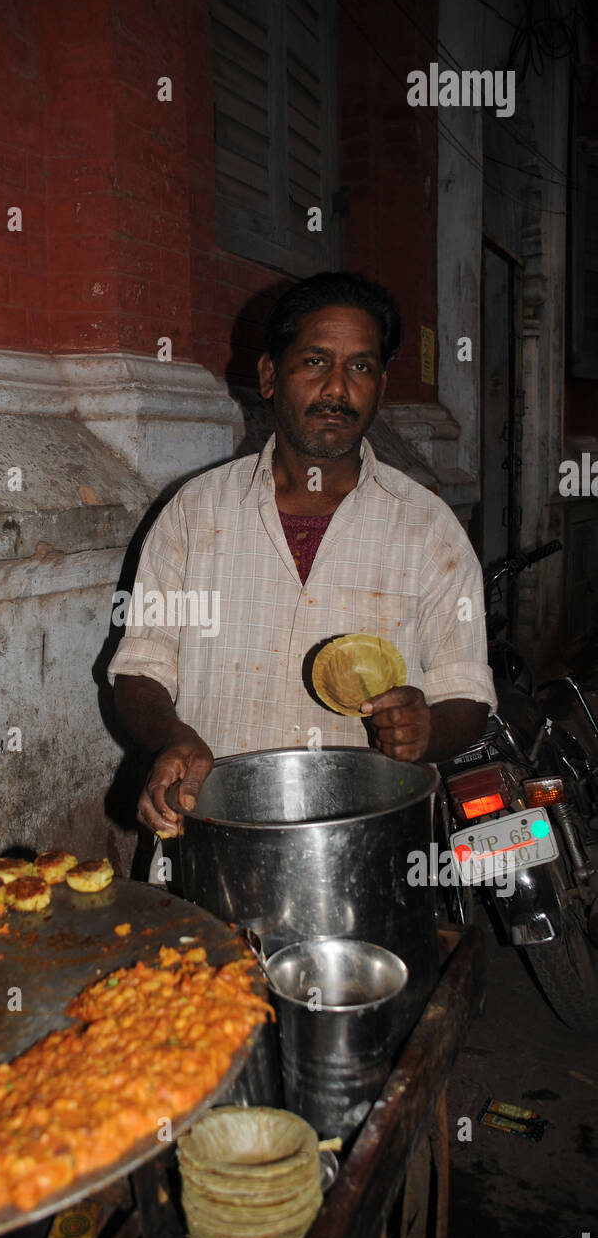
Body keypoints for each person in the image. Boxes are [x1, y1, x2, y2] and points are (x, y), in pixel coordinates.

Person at [108, 271, 496, 839]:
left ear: (381, 386)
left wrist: (426, 729)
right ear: (269, 375)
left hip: (366, 846)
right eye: (315, 361)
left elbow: (466, 691)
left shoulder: (428, 528)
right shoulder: (195, 513)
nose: (337, 389)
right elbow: (141, 668)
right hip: (214, 832)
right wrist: (173, 737)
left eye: (360, 367)